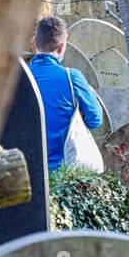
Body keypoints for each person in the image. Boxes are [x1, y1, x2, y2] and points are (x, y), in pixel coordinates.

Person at [29, 15, 104, 172]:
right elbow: (95, 119)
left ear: (34, 43)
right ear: (62, 47)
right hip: (62, 173)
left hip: (25, 171)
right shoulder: (72, 78)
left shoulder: (16, 79)